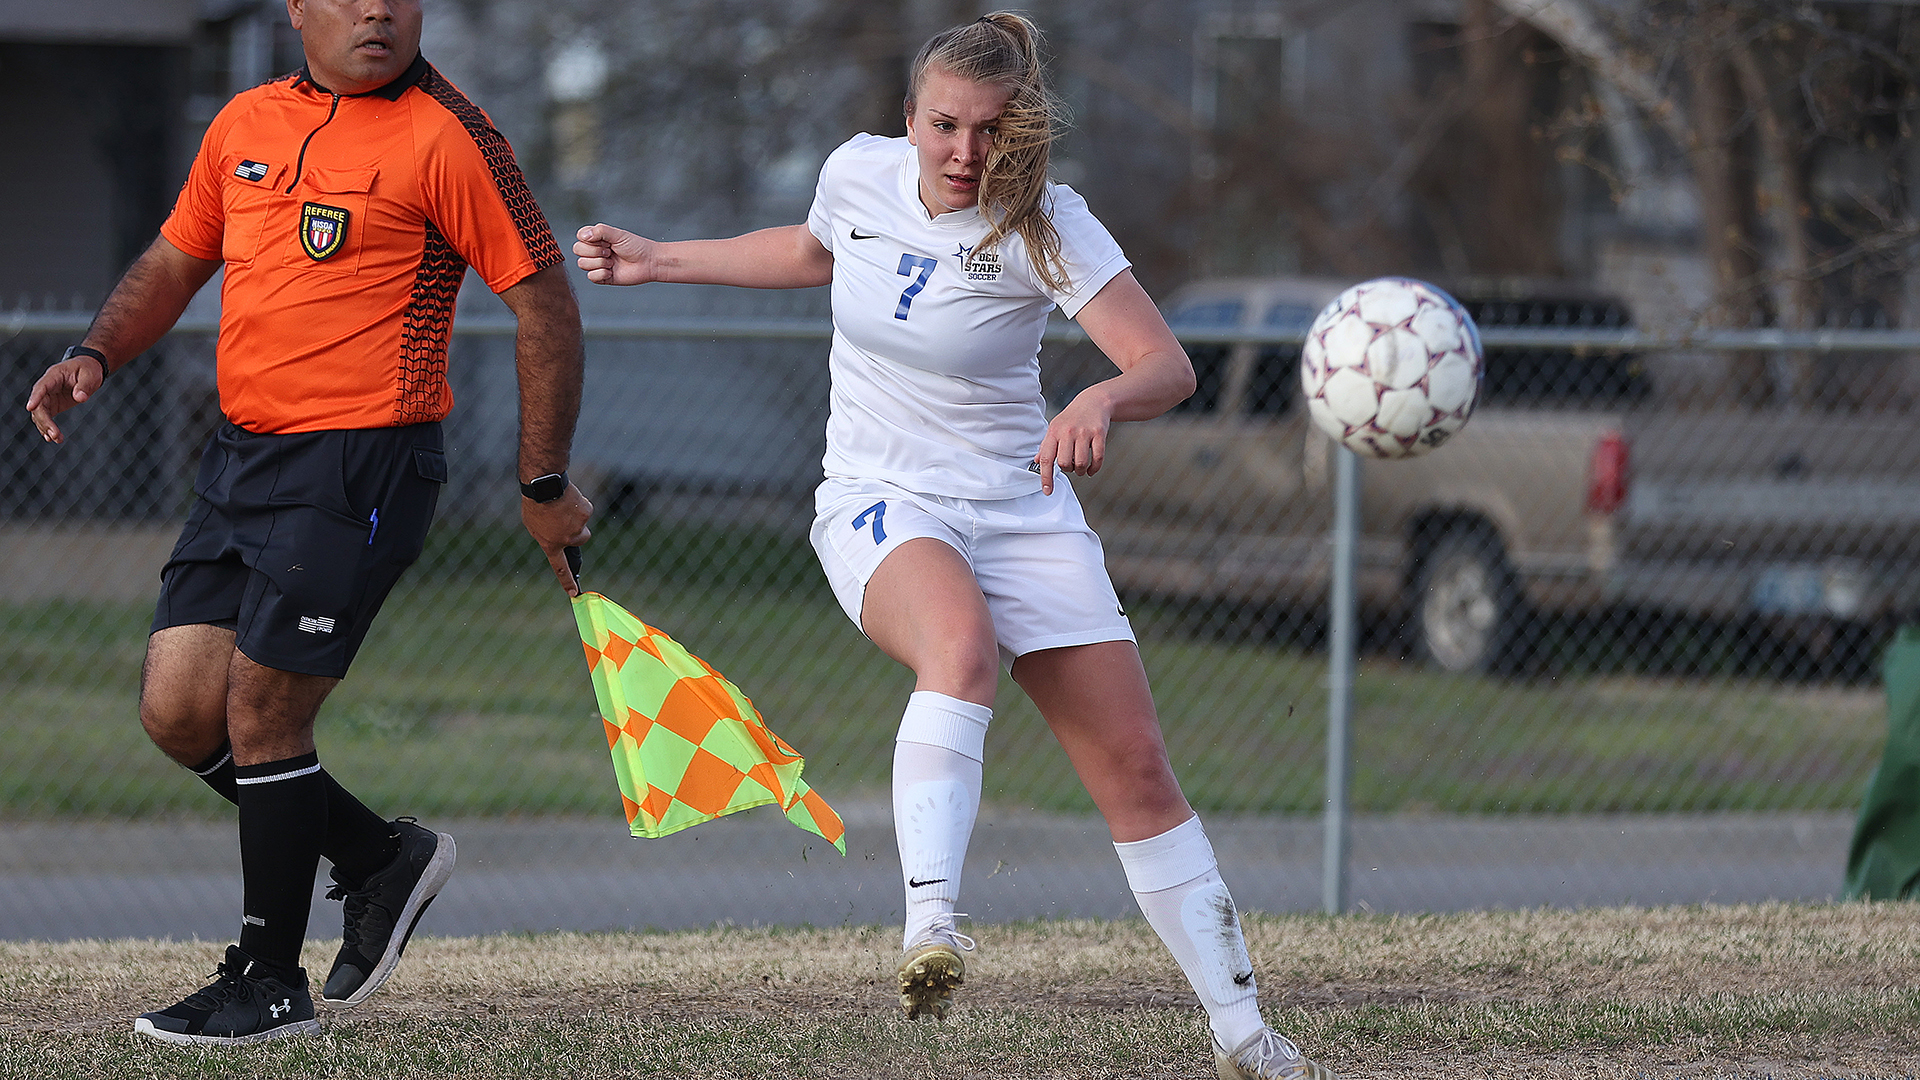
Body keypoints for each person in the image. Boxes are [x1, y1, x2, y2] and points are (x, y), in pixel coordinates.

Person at [573, 12, 1333, 1079]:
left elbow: (1167, 363)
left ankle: (1245, 1036)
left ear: (1021, 129)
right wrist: (663, 259)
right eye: (945, 125)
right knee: (960, 651)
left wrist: (1106, 397)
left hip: (1021, 509)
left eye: (991, 130)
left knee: (1140, 772)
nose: (965, 152)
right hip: (882, 498)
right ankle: (932, 925)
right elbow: (810, 249)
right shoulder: (856, 176)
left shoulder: (1046, 222)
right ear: (910, 117)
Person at [25, 0, 591, 1047]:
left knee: (263, 716)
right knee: (179, 713)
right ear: (297, 8)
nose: (377, 10)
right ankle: (381, 859)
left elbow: (546, 305)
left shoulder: (450, 136)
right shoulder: (244, 124)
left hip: (365, 461)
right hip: (243, 456)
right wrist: (96, 352)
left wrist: (542, 480)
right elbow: (173, 261)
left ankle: (268, 980)